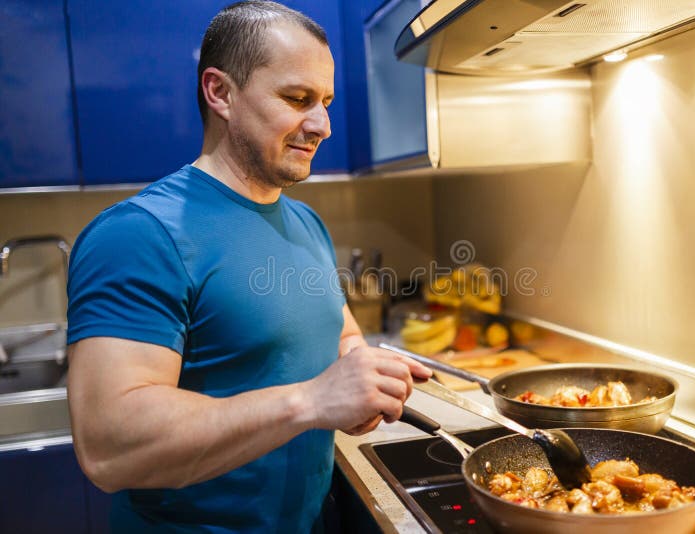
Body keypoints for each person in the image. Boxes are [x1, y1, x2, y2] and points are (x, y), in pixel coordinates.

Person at [65, 2, 432, 532]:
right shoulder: (138, 234)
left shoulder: (305, 223)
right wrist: (312, 399)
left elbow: (339, 335)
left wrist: (367, 374)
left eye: (326, 101)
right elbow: (108, 446)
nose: (322, 124)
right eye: (297, 98)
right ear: (221, 93)